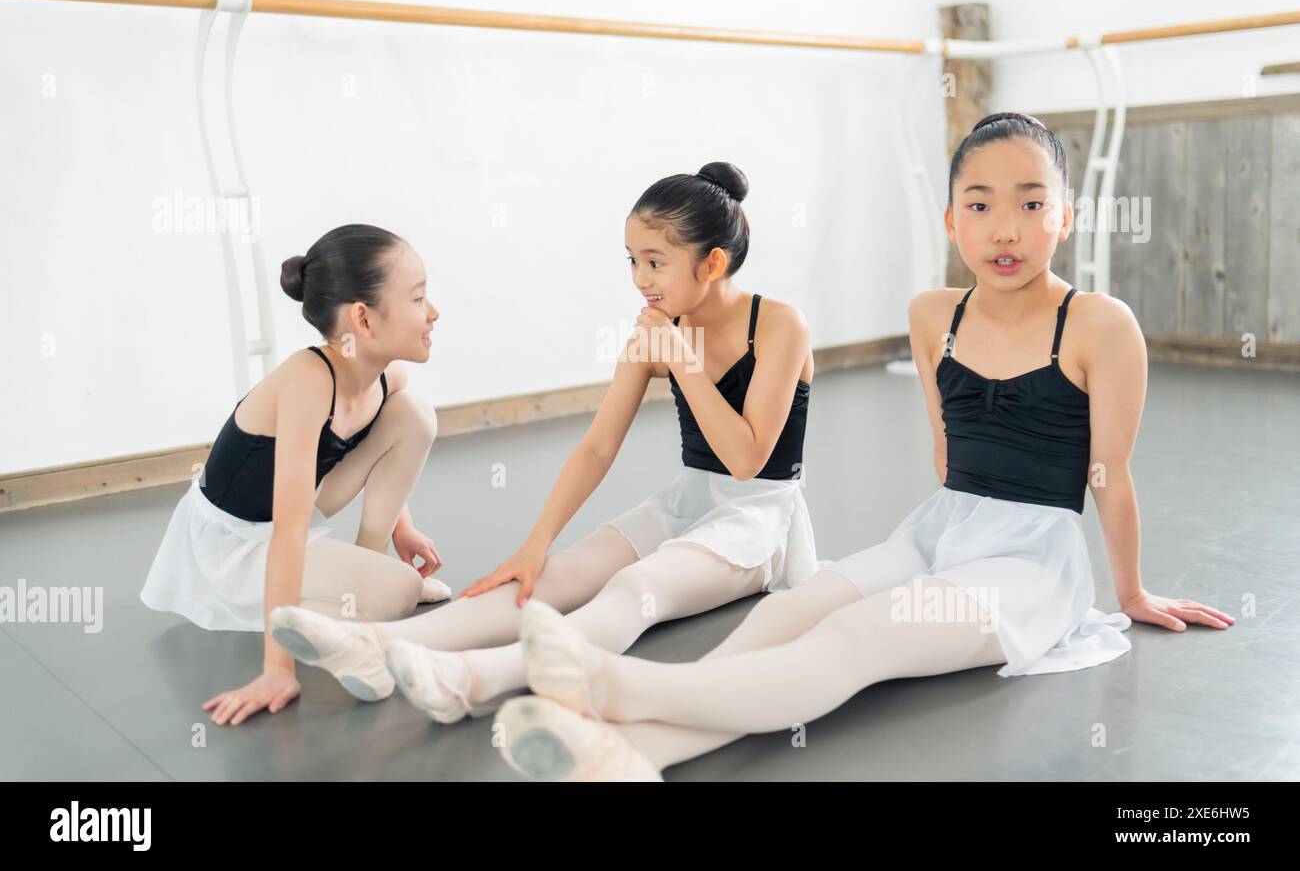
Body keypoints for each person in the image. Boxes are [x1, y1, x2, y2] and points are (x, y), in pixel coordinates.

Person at [490, 114, 1235, 781]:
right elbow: (949, 458)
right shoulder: (931, 313)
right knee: (796, 609)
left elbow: (1110, 475)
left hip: (1033, 560)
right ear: (952, 221)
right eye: (980, 205)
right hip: (942, 527)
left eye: (1032, 204)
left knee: (857, 637)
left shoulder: (1102, 325)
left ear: (1065, 217)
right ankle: (639, 752)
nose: (1005, 229)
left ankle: (616, 688)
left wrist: (1130, 592)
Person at [266, 162, 822, 723]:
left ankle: (474, 679)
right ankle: (375, 647)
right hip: (688, 500)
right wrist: (535, 546)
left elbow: (747, 460)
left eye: (655, 263)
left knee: (637, 588)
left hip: (759, 521)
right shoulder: (658, 326)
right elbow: (597, 448)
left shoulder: (779, 326)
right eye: (632, 260)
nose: (639, 279)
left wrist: (679, 354)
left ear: (713, 263)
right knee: (552, 576)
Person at [140, 223, 449, 726]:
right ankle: (358, 599)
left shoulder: (389, 376)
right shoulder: (308, 379)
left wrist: (401, 526)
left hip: (297, 505)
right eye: (418, 298)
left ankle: (364, 570)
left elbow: (389, 447)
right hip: (239, 542)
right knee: (398, 594)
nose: (433, 312)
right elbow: (287, 533)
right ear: (364, 320)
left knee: (414, 413)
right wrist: (276, 670)